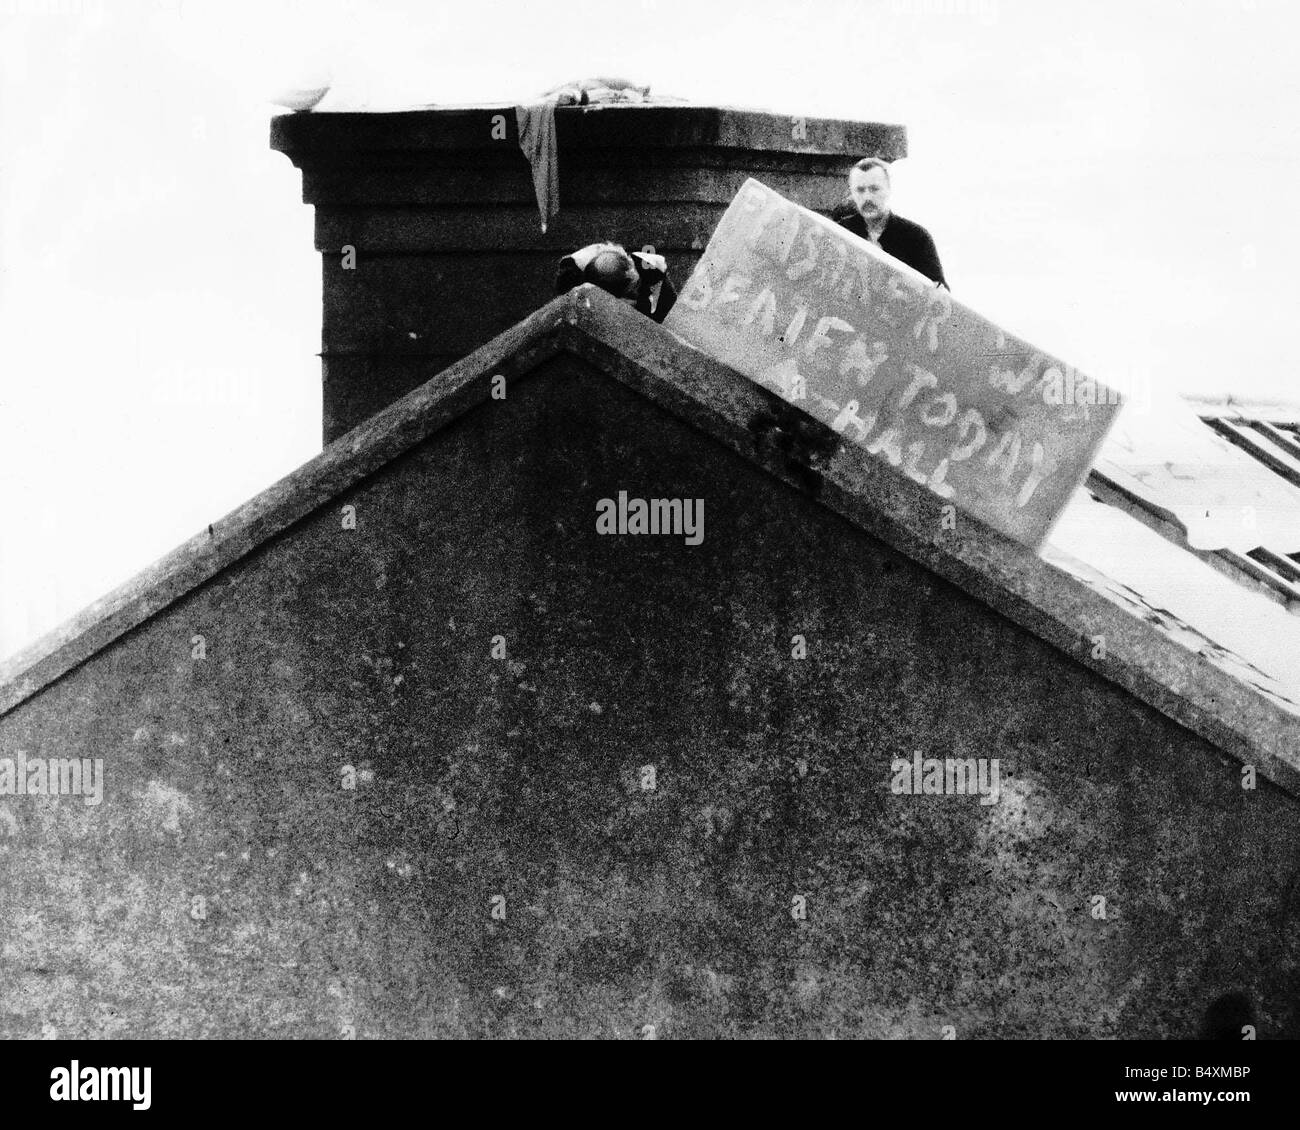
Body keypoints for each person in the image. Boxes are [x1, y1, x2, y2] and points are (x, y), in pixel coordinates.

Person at [831, 157, 948, 289]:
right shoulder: (840, 233)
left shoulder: (916, 238)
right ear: (851, 192)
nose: (867, 197)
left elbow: (940, 296)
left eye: (874, 189)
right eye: (860, 190)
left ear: (889, 189)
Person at [553, 243, 677, 322]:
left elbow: (661, 314)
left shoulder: (653, 271)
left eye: (637, 284)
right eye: (632, 289)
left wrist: (635, 306)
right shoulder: (571, 274)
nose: (635, 290)